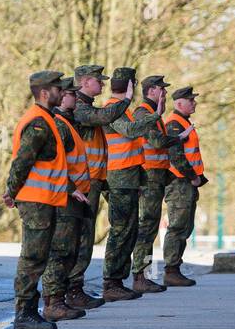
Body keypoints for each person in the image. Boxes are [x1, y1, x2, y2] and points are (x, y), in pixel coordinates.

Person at [4, 71, 70, 329]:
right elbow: (22, 161)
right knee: (32, 258)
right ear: (45, 93)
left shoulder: (46, 119)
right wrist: (12, 189)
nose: (62, 92)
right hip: (36, 201)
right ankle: (24, 314)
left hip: (43, 200)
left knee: (38, 258)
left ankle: (28, 313)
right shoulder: (39, 123)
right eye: (57, 88)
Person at [101, 67, 172, 300]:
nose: (164, 93)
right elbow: (133, 133)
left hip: (132, 178)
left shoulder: (126, 111)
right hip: (119, 178)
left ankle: (125, 279)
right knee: (123, 232)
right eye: (161, 89)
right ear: (131, 86)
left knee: (131, 232)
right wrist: (157, 115)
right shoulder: (115, 110)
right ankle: (118, 281)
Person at [67, 64, 128, 308]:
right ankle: (72, 290)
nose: (102, 84)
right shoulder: (80, 109)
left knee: (86, 235)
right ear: (84, 82)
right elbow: (105, 117)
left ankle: (74, 289)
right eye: (97, 81)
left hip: (94, 178)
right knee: (81, 237)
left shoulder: (85, 107)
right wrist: (126, 100)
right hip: (84, 180)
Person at [129, 75, 192, 294]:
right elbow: (155, 142)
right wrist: (179, 138)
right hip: (148, 178)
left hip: (155, 178)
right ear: (152, 91)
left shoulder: (152, 115)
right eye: (162, 90)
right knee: (146, 228)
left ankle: (143, 275)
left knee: (150, 229)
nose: (165, 94)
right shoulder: (143, 114)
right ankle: (140, 275)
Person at [38, 77, 91, 321]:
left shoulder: (68, 123)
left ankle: (59, 299)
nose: (75, 98)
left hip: (75, 196)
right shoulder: (59, 124)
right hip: (65, 196)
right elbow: (53, 162)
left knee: (69, 251)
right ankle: (53, 302)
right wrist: (71, 188)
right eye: (72, 94)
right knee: (60, 252)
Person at [162, 86, 207, 287]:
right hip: (180, 182)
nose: (194, 103)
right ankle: (171, 270)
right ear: (179, 103)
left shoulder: (182, 122)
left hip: (186, 182)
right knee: (178, 227)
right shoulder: (174, 124)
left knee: (185, 227)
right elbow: (176, 156)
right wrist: (192, 177)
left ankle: (174, 269)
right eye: (191, 100)